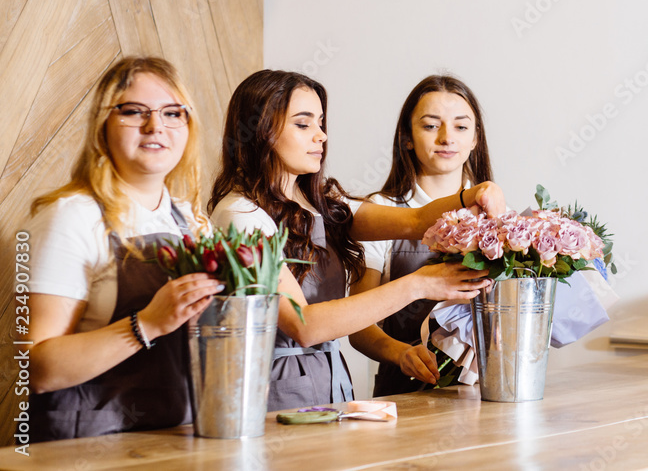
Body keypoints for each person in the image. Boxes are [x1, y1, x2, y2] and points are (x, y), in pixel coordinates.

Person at [208, 70, 501, 410]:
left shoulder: (324, 206)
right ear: (261, 130)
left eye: (320, 123)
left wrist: (477, 193)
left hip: (331, 382)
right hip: (271, 390)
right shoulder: (240, 216)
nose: (321, 136)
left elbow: (417, 219)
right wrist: (419, 285)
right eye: (303, 125)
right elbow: (304, 325)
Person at [23, 57, 223, 441]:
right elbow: (37, 369)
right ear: (103, 124)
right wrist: (147, 324)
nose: (155, 126)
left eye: (172, 113)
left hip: (176, 440)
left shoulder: (192, 221)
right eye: (133, 111)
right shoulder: (71, 217)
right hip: (85, 447)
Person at [349, 75, 493, 397]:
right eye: (430, 126)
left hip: (484, 392)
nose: (446, 138)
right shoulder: (380, 212)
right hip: (402, 392)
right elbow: (357, 325)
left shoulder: (497, 214)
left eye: (460, 126)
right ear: (407, 138)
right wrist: (401, 354)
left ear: (475, 139)